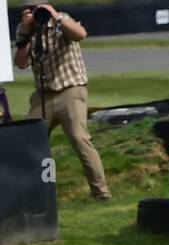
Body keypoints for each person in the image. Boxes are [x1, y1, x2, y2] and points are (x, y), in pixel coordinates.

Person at [13, 3, 110, 201]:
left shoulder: (61, 20)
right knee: (27, 141)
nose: (35, 13)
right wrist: (24, 34)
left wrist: (54, 15)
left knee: (79, 138)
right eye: (30, 9)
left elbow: (80, 34)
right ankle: (29, 195)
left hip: (71, 90)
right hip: (44, 95)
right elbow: (21, 63)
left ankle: (102, 194)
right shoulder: (27, 29)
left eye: (38, 8)